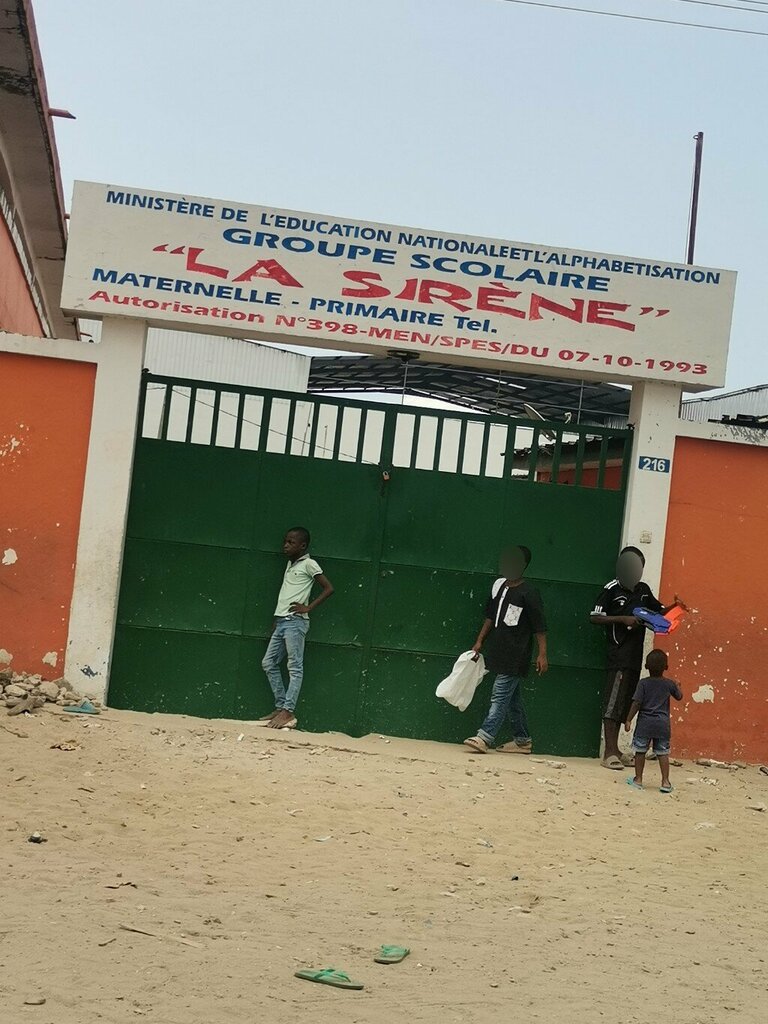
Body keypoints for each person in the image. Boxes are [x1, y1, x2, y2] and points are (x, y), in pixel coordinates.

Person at [590, 546, 682, 771]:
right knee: (613, 703)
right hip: (617, 654)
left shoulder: (643, 590)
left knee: (625, 702)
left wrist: (675, 607)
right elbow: (594, 617)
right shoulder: (611, 589)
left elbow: (659, 612)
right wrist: (622, 619)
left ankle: (618, 751)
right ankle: (609, 751)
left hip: (634, 656)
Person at [464, 546, 548, 754]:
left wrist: (542, 653)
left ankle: (484, 736)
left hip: (516, 654)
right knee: (512, 700)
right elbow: (490, 617)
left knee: (499, 695)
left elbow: (540, 626)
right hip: (499, 652)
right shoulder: (501, 588)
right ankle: (523, 740)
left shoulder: (529, 593)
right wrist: (479, 641)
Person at [260, 527, 334, 730]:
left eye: (291, 542)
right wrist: (277, 618)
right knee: (268, 663)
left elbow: (329, 588)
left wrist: (307, 608)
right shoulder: (290, 564)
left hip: (295, 621)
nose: (286, 545)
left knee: (295, 667)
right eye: (285, 541)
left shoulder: (309, 564)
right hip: (283, 621)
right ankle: (280, 706)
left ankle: (288, 711)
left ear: (303, 546)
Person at [625, 649, 683, 793]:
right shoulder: (669, 684)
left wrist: (628, 720)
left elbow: (636, 703)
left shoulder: (643, 684)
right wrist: (678, 686)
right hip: (663, 725)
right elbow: (679, 696)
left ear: (646, 666)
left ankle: (638, 779)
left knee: (640, 751)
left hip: (645, 724)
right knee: (663, 753)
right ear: (666, 667)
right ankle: (665, 782)